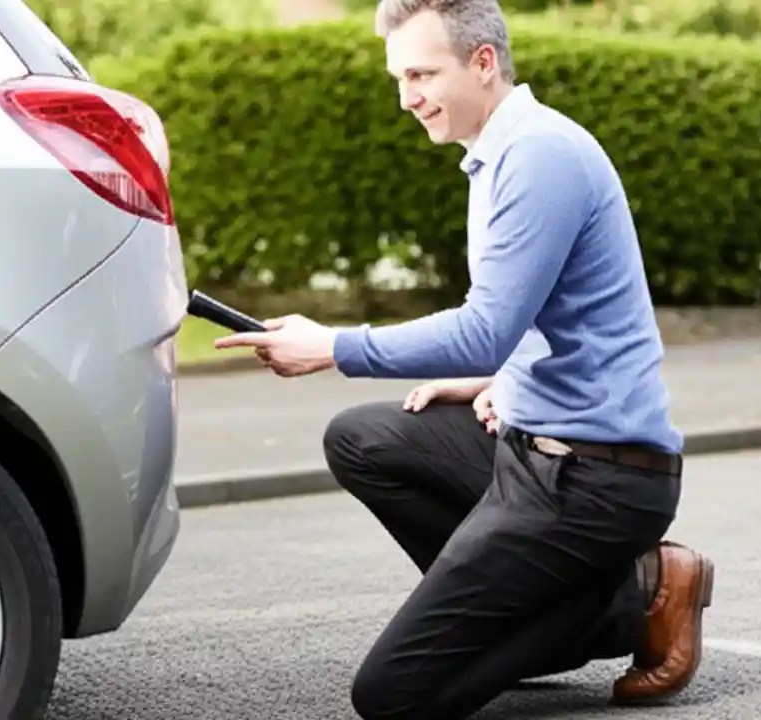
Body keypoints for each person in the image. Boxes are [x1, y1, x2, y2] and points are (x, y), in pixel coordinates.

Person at [212, 1, 715, 718]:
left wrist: (332, 345)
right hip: (533, 447)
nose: (407, 96)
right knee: (363, 439)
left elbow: (484, 327)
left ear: (483, 63)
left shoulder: (539, 155)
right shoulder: (496, 152)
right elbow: (553, 315)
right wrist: (498, 377)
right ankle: (528, 616)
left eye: (421, 73)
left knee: (391, 695)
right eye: (399, 77)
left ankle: (636, 593)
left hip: (599, 479)